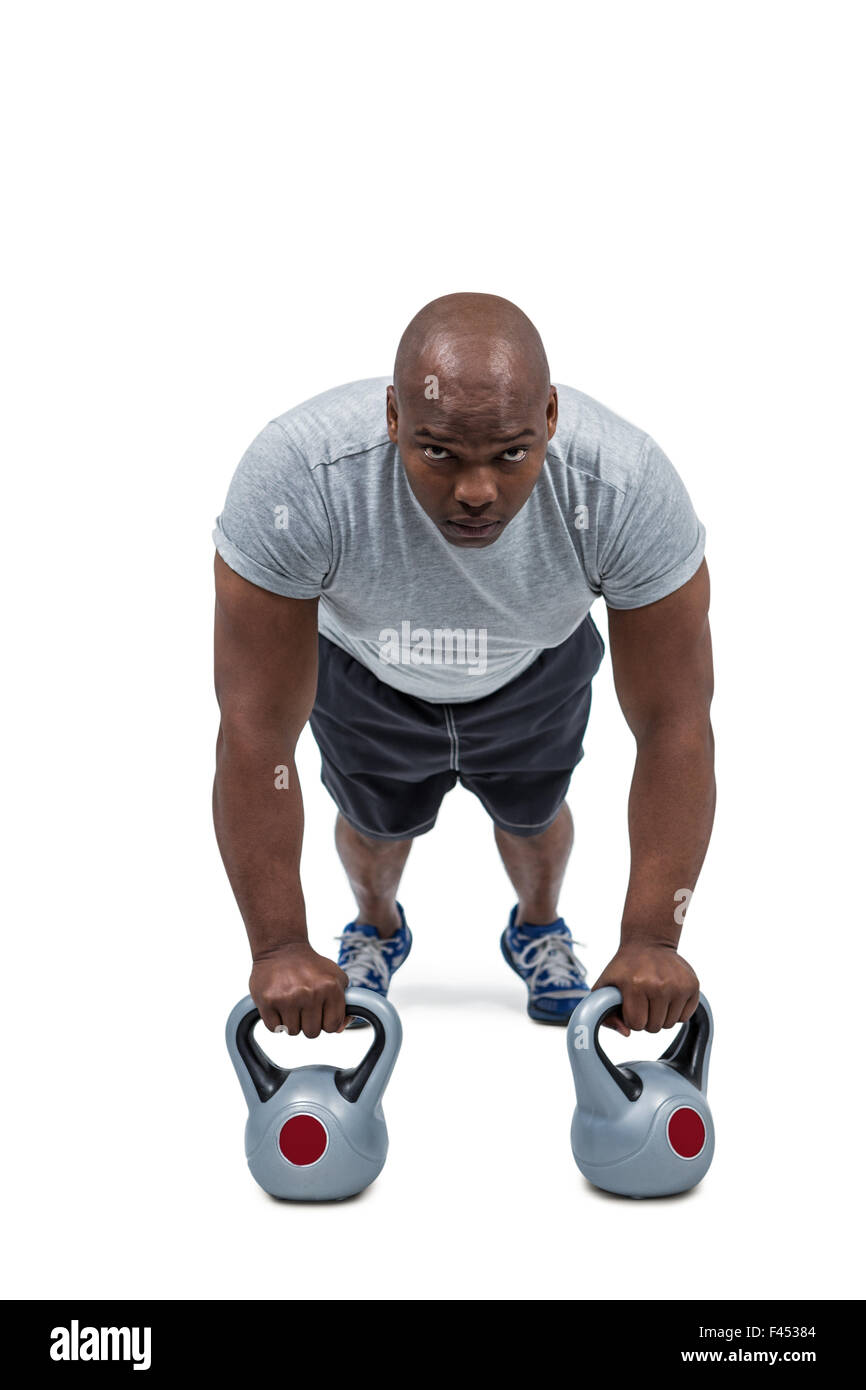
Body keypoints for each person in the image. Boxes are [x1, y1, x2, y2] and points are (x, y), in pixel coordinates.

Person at [212, 292, 715, 1040]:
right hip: (364, 671)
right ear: (393, 418)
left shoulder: (624, 486)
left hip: (534, 668)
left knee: (534, 817)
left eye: (510, 453)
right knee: (375, 827)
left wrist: (653, 939)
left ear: (550, 418)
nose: (476, 492)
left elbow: (676, 724)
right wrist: (280, 946)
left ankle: (539, 927)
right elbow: (254, 729)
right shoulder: (299, 477)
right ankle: (377, 929)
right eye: (439, 452)